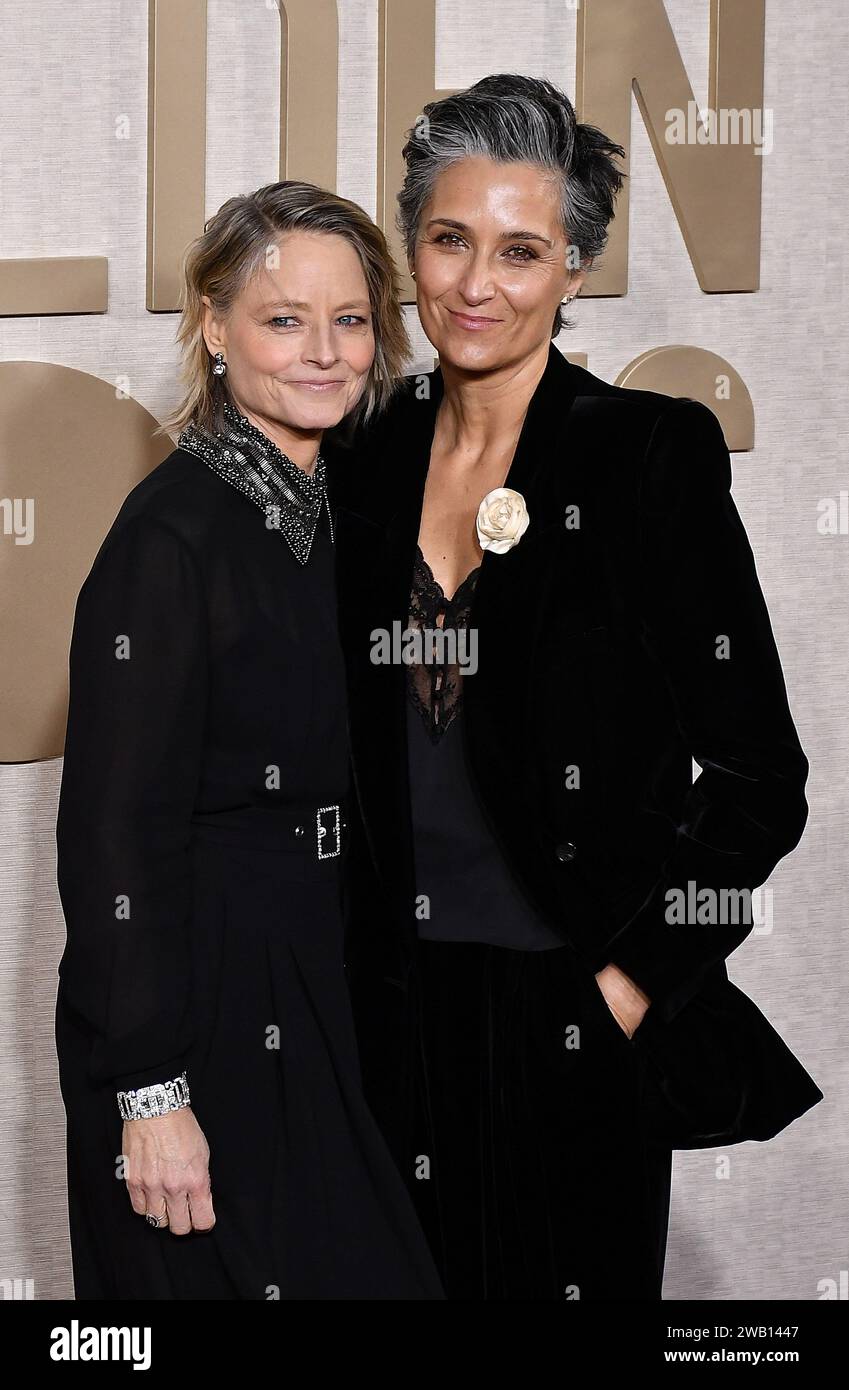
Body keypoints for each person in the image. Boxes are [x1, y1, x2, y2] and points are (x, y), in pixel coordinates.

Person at [325, 74, 822, 1301]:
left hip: (572, 1012)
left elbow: (765, 787)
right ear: (410, 246)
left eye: (521, 250)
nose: (476, 285)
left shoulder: (647, 455)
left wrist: (631, 978)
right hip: (387, 1016)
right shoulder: (363, 450)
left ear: (577, 270)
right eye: (448, 240)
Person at [54, 180, 444, 1300]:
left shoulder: (340, 520)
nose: (324, 351)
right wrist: (148, 1090)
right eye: (283, 319)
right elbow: (114, 838)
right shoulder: (169, 537)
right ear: (216, 328)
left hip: (321, 965)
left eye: (352, 318)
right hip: (204, 999)